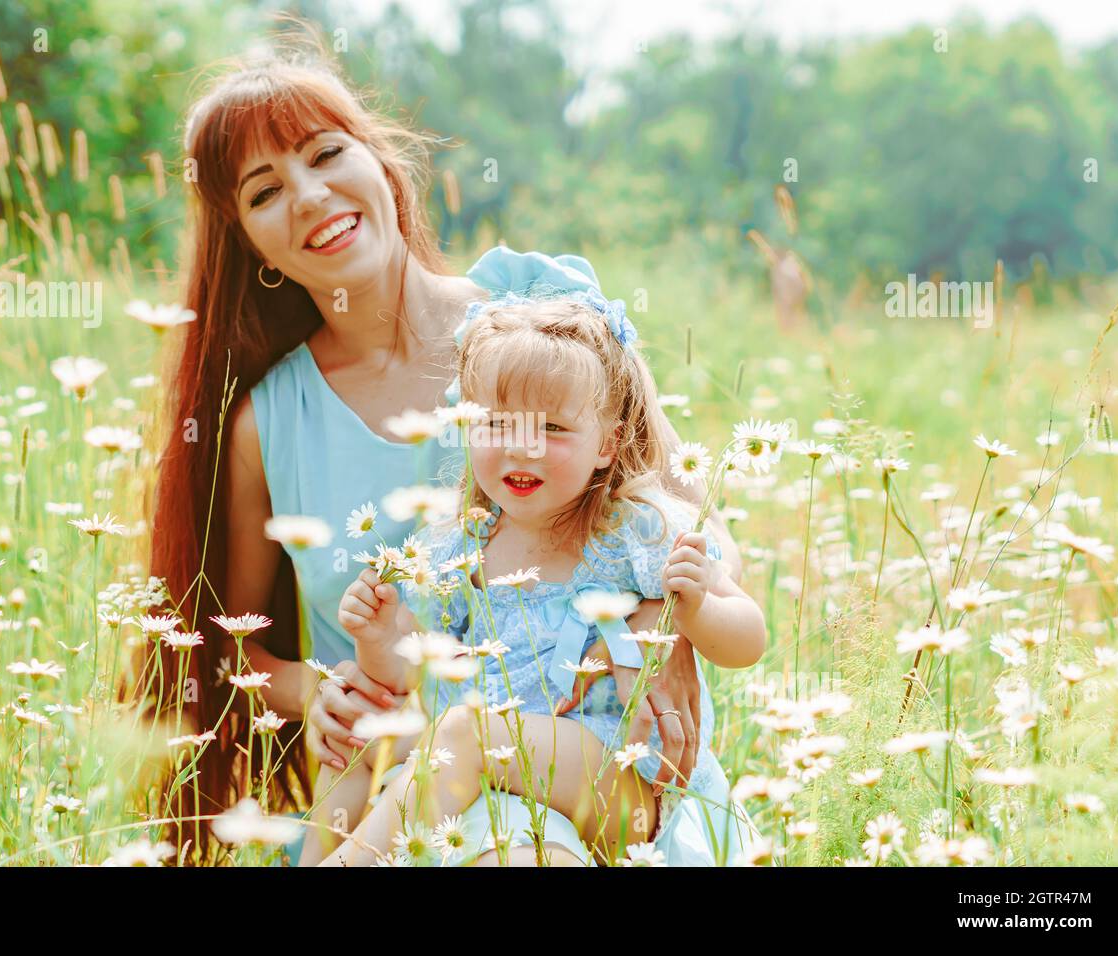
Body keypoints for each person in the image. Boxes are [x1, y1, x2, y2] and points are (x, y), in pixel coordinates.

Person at [148, 26, 744, 861]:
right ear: (249, 242)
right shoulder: (267, 422)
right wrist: (319, 692)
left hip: (587, 776)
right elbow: (234, 648)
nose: (311, 195)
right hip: (394, 793)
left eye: (325, 154)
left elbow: (685, 514)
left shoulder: (542, 318)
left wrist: (658, 627)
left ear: (381, 165)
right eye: (264, 190)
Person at [307, 250, 765, 866]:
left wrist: (702, 606)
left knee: (465, 735)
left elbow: (748, 642)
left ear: (607, 443)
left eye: (551, 429)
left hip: (623, 783)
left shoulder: (636, 529)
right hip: (507, 788)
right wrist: (379, 636)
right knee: (397, 751)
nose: (522, 449)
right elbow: (408, 678)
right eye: (497, 425)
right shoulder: (457, 546)